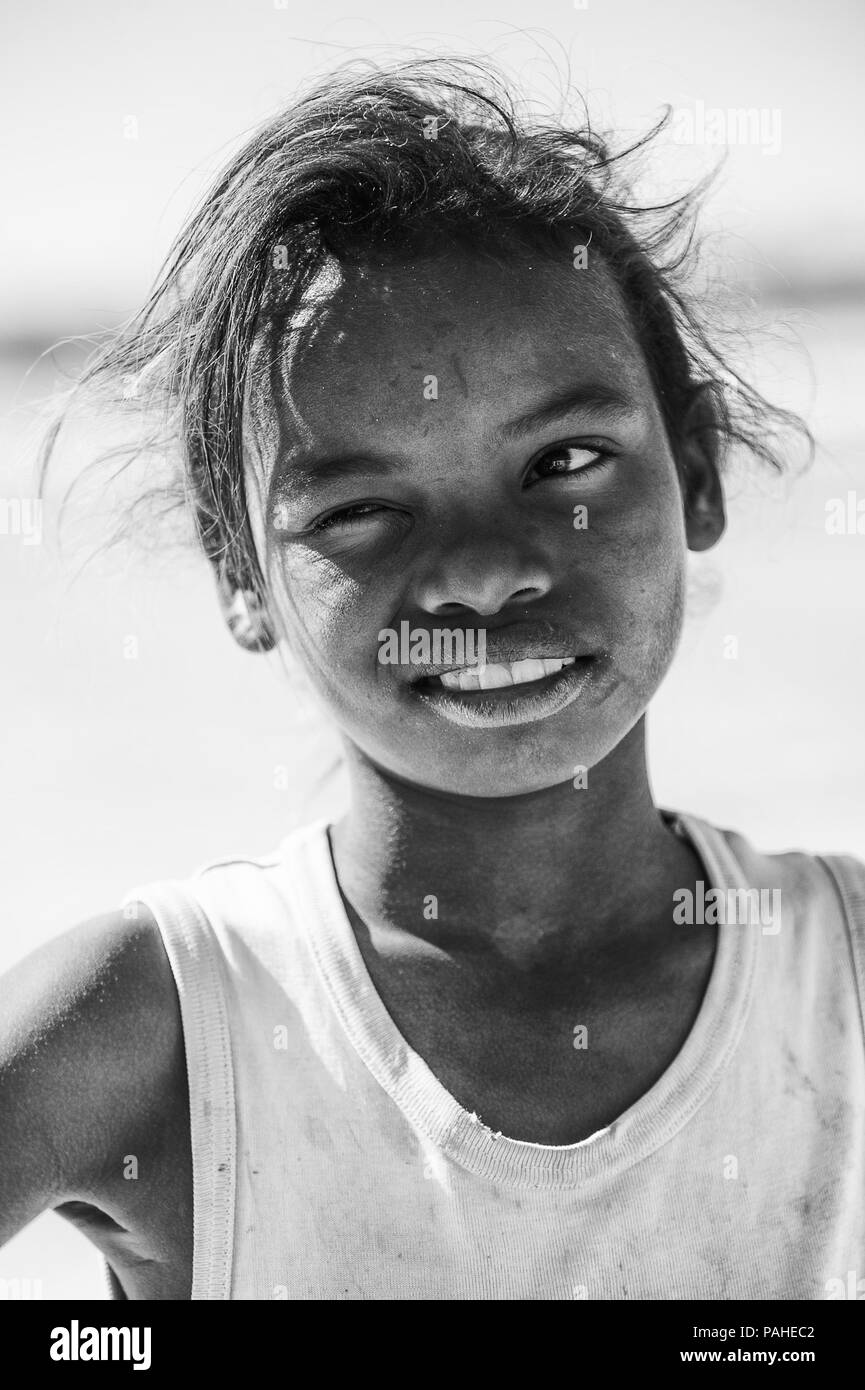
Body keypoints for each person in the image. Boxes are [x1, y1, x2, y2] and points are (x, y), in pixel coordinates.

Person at [2, 58, 863, 1301]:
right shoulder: (159, 1029)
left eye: (564, 460)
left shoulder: (837, 981)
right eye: (361, 510)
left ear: (698, 471)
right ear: (242, 575)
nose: (481, 573)